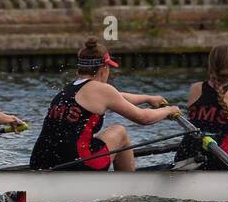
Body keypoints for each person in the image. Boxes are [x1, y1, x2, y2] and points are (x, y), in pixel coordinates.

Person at [28, 37, 180, 171]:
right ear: (103, 69)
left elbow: (119, 97)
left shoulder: (70, 89)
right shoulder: (101, 90)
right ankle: (129, 186)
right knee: (119, 132)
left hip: (40, 160)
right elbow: (143, 118)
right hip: (77, 164)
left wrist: (148, 98)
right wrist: (168, 110)